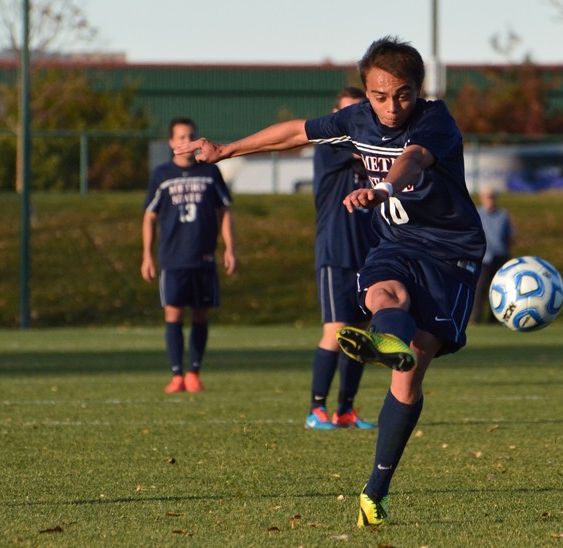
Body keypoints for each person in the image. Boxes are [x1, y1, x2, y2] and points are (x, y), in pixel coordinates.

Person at [174, 36, 485, 527]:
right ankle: (387, 337)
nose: (390, 106)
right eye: (380, 96)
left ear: (418, 90)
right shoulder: (355, 118)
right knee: (382, 293)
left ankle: (374, 490)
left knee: (412, 374)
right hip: (396, 245)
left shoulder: (434, 120)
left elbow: (413, 161)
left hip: (451, 255)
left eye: (402, 94)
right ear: (366, 92)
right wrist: (226, 150)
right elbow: (294, 133)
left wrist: (381, 187)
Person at [142, 117, 236, 394]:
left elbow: (225, 210)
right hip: (172, 257)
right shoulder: (161, 174)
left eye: (190, 136)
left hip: (203, 255)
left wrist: (230, 247)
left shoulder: (210, 172)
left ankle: (194, 372)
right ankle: (176, 375)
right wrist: (147, 255)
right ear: (171, 142)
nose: (186, 141)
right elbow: (149, 215)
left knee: (200, 315)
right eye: (181, 137)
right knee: (172, 314)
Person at [305, 86, 379, 430]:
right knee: (336, 331)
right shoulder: (329, 146)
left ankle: (345, 410)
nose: (353, 119)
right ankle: (315, 409)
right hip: (336, 251)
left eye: (358, 111)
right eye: (345, 113)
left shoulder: (370, 149)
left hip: (369, 253)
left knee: (359, 335)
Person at [470, 186, 514, 324]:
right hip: (483, 258)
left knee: (499, 290)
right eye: (488, 198)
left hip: (500, 256)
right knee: (480, 289)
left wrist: (507, 252)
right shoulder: (476, 213)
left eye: (493, 197)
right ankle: (475, 318)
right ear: (482, 199)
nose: (491, 200)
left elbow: (509, 236)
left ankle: (495, 318)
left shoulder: (503, 215)